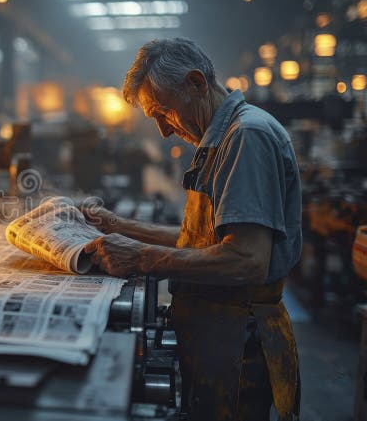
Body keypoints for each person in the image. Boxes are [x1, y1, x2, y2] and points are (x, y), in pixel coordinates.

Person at [82, 38, 301, 421]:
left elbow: (245, 260)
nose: (164, 132)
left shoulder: (247, 137)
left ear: (196, 83)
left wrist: (142, 258)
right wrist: (117, 225)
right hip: (220, 334)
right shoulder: (223, 140)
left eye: (163, 112)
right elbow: (203, 243)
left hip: (239, 344)